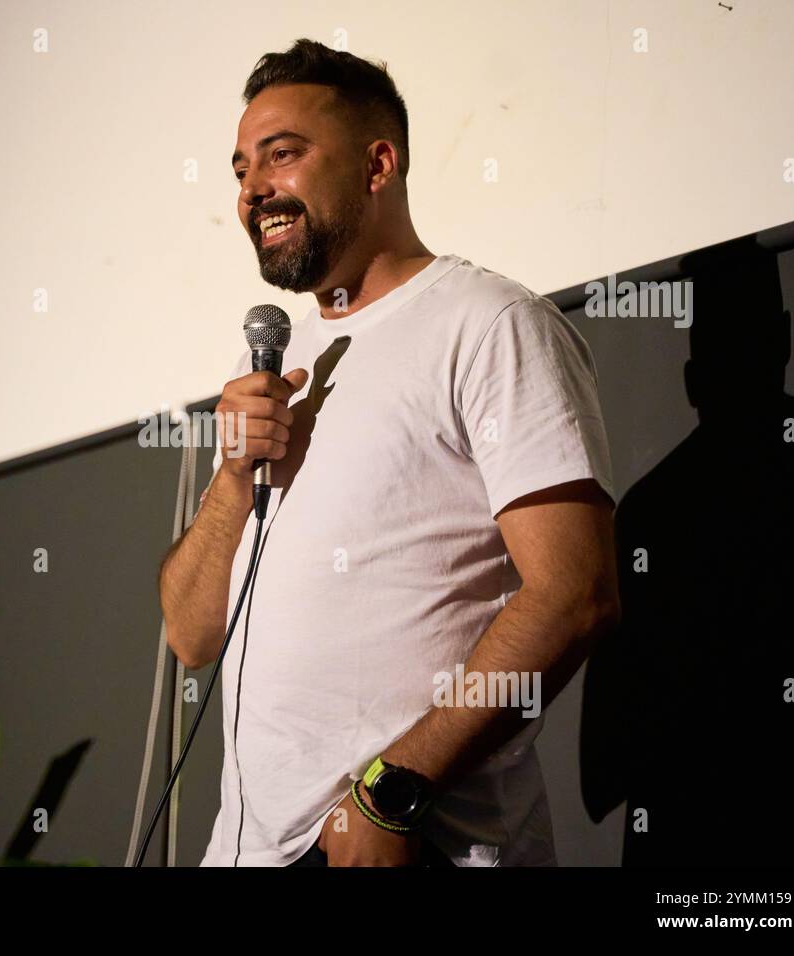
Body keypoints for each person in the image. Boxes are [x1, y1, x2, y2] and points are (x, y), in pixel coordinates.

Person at [158, 39, 619, 867]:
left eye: (284, 155)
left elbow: (574, 594)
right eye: (240, 170)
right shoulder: (265, 364)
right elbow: (192, 636)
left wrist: (393, 788)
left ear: (378, 165)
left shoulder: (486, 323)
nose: (253, 189)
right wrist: (233, 476)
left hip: (413, 839)